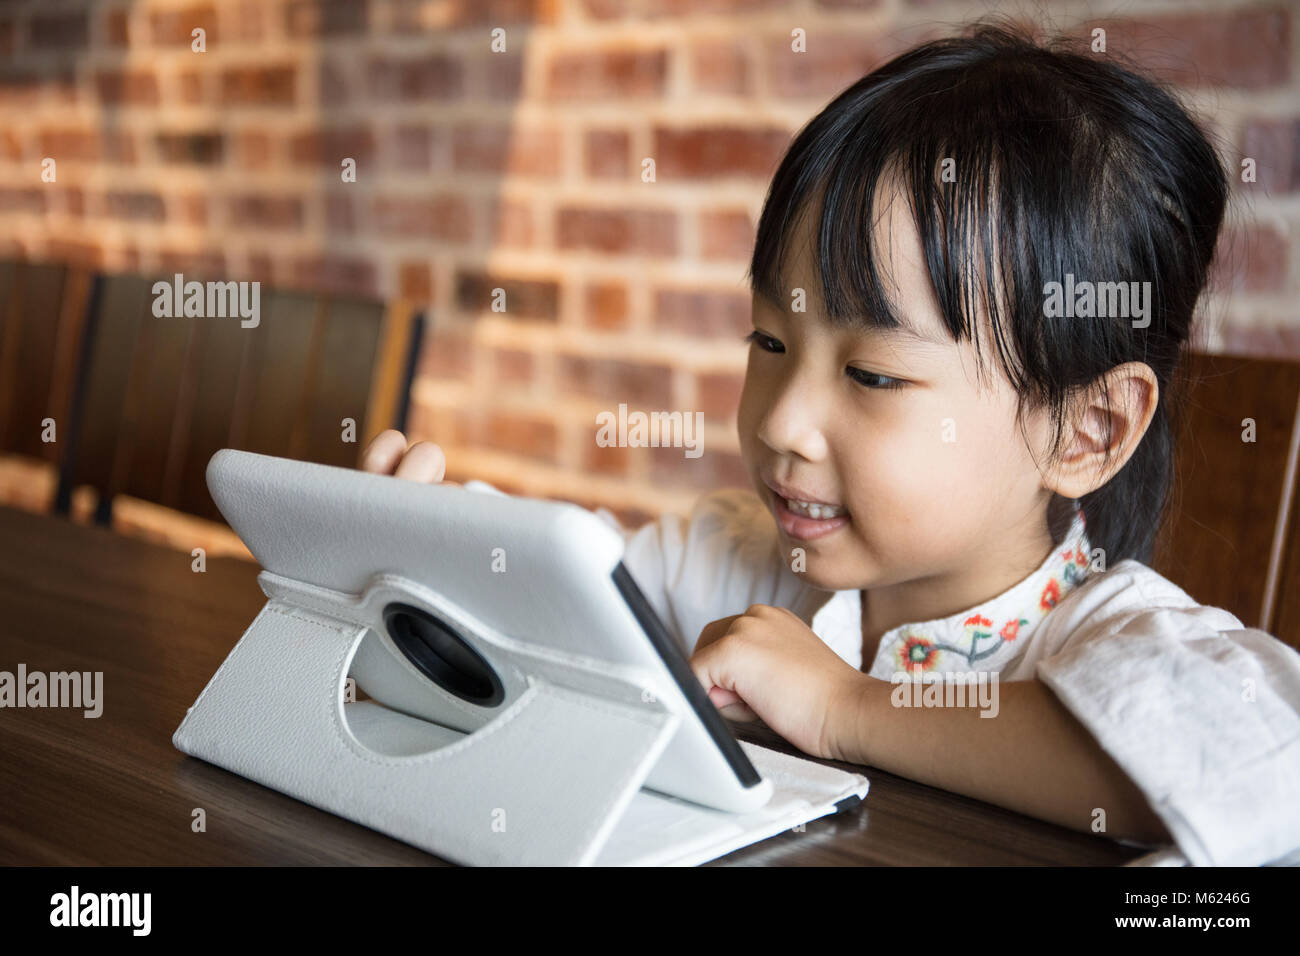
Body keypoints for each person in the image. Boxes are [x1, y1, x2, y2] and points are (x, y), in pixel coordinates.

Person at [361, 26, 1300, 866]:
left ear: (1086, 431)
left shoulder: (1109, 631)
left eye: (872, 376)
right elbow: (565, 603)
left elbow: (1241, 762)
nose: (778, 422)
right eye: (770, 345)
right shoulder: (728, 563)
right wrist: (432, 540)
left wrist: (844, 710)